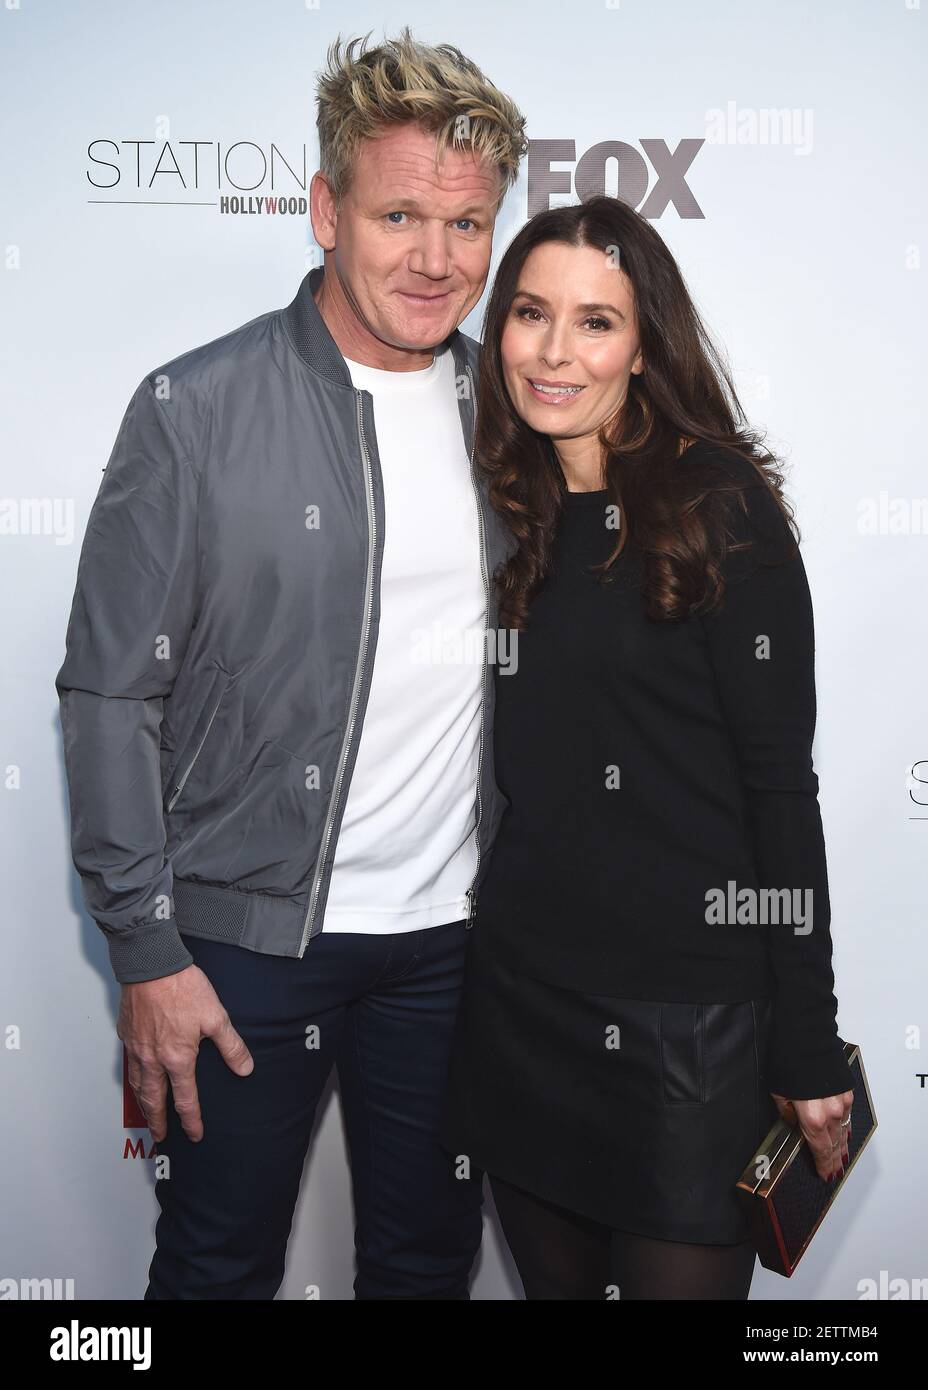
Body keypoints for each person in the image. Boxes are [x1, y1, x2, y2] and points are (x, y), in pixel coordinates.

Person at [55, 28, 526, 1300]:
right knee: (213, 1267)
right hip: (243, 945)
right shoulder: (193, 410)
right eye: (399, 215)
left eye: (469, 225)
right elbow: (108, 693)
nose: (436, 260)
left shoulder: (514, 420)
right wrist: (147, 951)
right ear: (325, 209)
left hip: (452, 947)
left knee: (425, 1267)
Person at [438, 195, 855, 1301]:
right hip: (525, 1010)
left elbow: (780, 789)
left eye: (594, 322)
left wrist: (805, 1046)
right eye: (529, 314)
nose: (552, 352)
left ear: (643, 343)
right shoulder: (511, 507)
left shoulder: (717, 506)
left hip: (689, 1039)